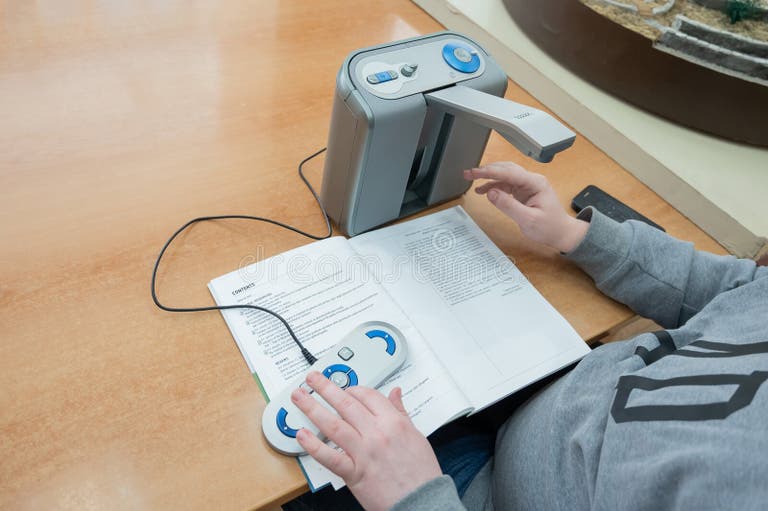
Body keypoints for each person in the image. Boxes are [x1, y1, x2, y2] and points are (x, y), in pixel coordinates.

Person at [285, 161, 768, 511]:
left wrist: (416, 498)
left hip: (465, 492)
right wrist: (574, 235)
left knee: (285, 472)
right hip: (546, 395)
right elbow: (742, 292)